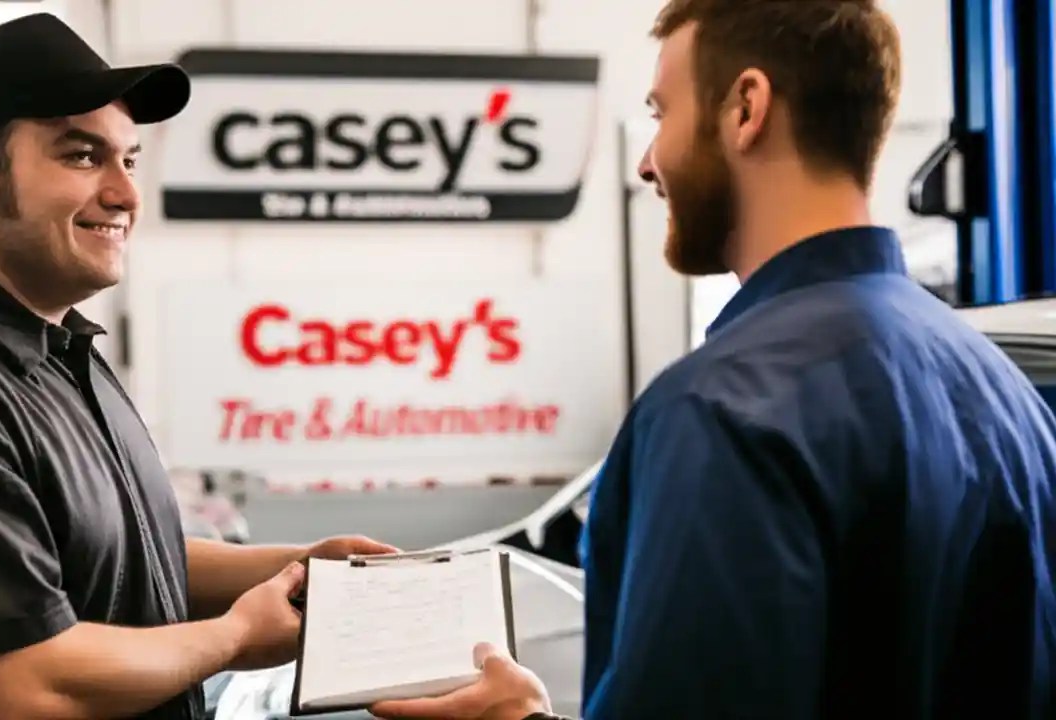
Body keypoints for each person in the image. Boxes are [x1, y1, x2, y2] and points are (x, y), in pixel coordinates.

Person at [372, 0, 1056, 718]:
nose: (647, 162)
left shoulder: (726, 411)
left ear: (746, 109)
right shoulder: (1006, 393)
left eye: (661, 113)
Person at [0, 13, 395, 719]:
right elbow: (28, 686)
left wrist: (298, 568)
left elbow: (118, 556)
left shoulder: (60, 353)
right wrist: (234, 637)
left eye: (130, 161)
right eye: (82, 157)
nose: (126, 194)